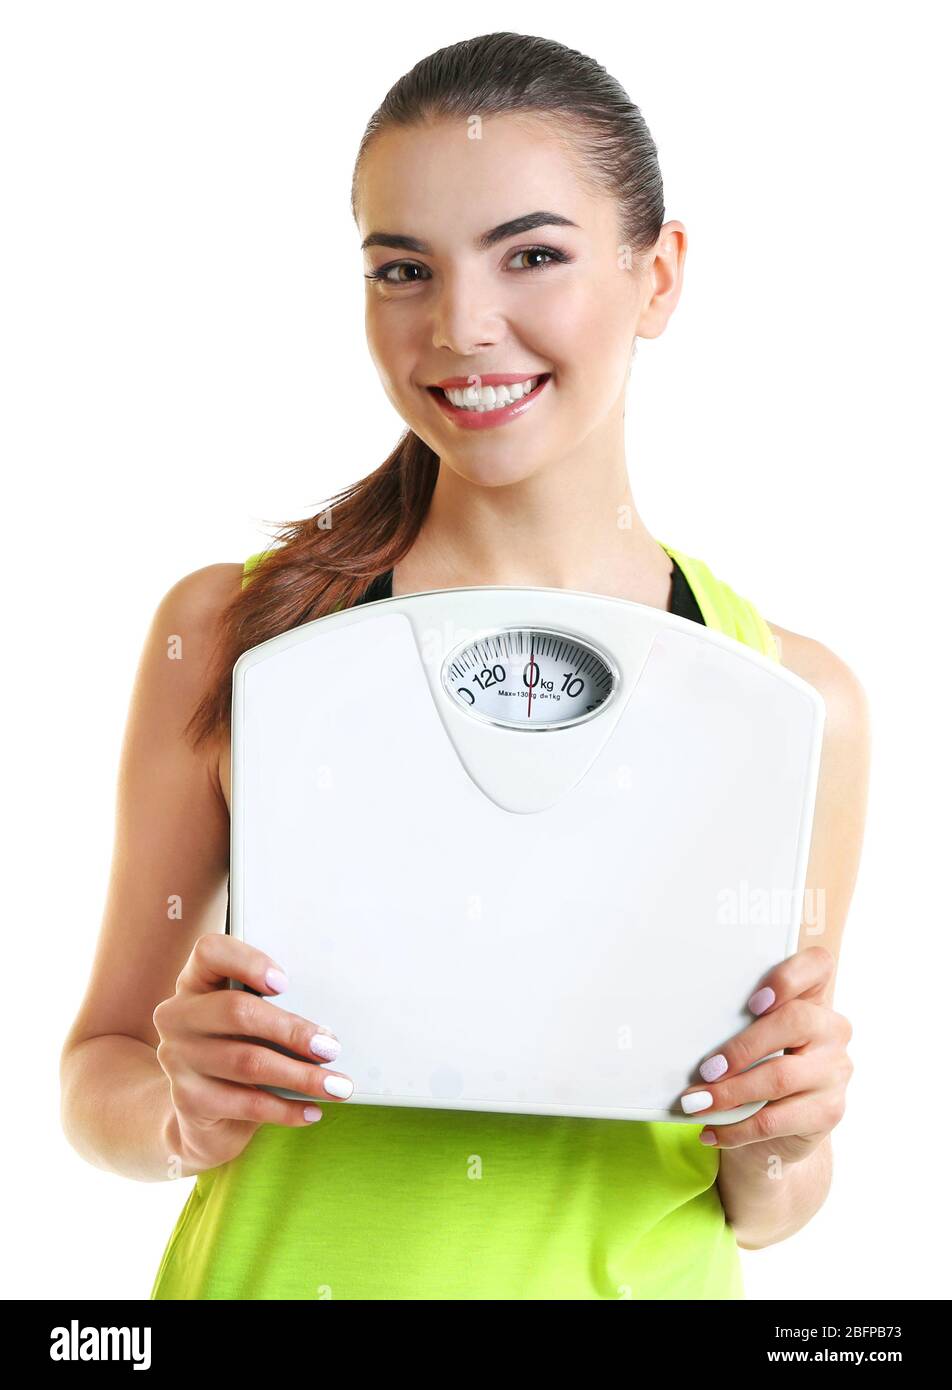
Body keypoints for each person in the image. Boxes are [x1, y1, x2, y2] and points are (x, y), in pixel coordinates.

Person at [59, 31, 870, 1300]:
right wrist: (178, 1107)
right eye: (403, 269)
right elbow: (99, 1065)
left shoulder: (787, 696)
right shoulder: (237, 635)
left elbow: (761, 1203)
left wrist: (786, 1131)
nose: (461, 327)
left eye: (533, 254)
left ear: (657, 277)